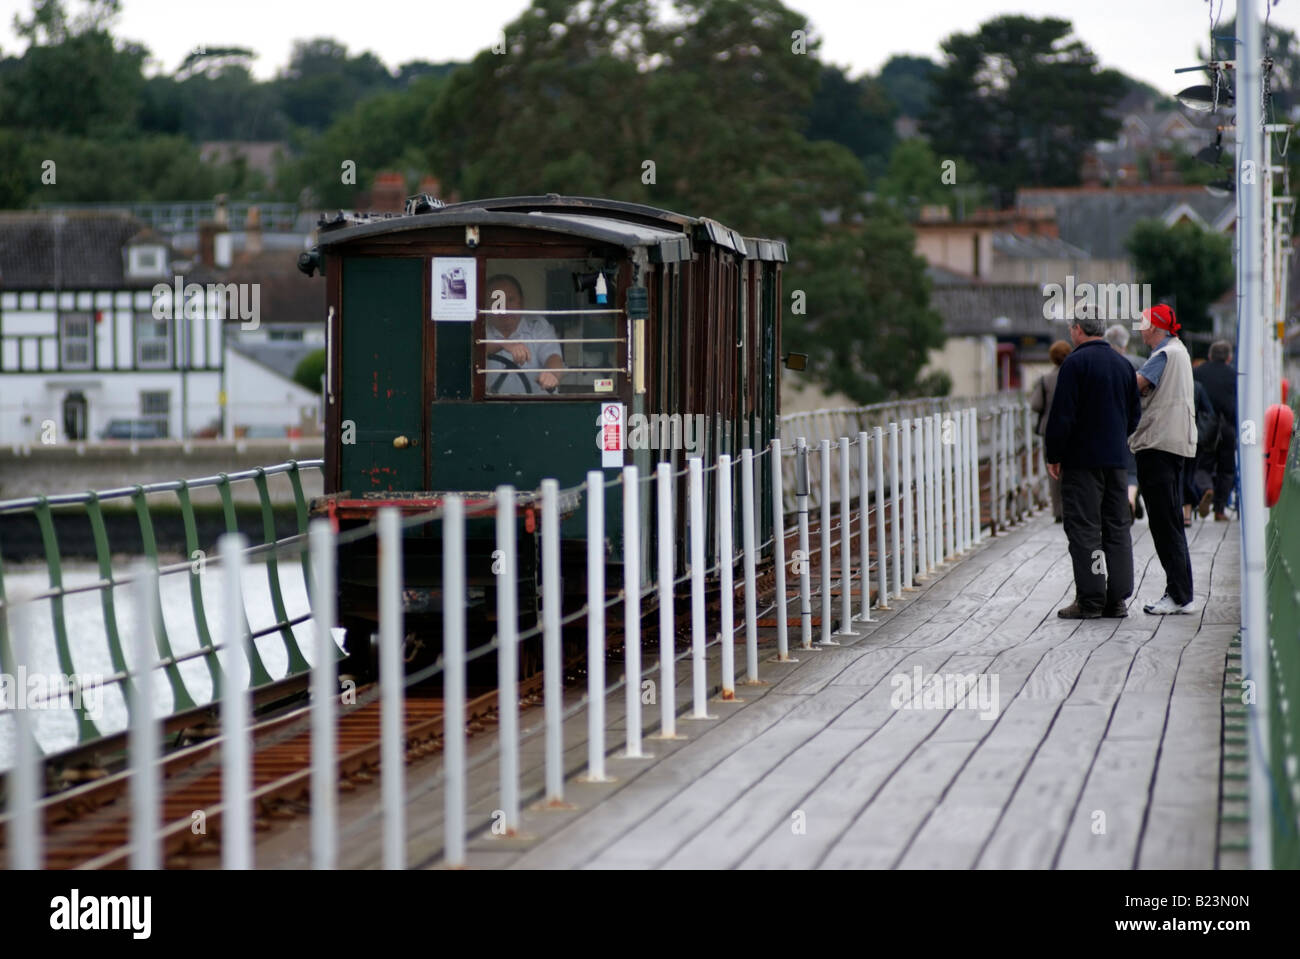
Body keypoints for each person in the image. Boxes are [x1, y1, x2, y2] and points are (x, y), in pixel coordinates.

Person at [1045, 314, 1142, 619]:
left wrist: (1054, 455)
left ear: (1077, 330)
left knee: (1085, 529)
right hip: (1116, 462)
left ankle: (1091, 599)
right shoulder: (1124, 365)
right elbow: (1134, 416)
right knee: (1117, 527)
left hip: (1081, 462)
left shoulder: (1075, 364)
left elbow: (1061, 417)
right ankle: (1117, 599)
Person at [1130, 304, 1198, 614]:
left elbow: (1136, 386)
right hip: (1175, 442)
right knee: (1171, 520)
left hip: (1158, 444)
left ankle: (1178, 594)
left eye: (1143, 324)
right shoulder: (1179, 351)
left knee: (1163, 523)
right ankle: (1182, 592)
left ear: (1155, 327)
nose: (1140, 329)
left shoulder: (1163, 356)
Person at [483, 274, 564, 395]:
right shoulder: (480, 331)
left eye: (510, 300)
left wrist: (551, 374)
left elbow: (553, 357)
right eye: (497, 301)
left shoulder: (538, 327)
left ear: (521, 303)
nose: (505, 307)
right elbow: (473, 351)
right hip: (492, 409)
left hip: (535, 408)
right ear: (486, 306)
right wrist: (503, 344)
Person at [1194, 339, 1238, 521]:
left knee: (1201, 466)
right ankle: (1220, 510)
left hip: (1204, 426)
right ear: (1229, 358)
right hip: (1228, 426)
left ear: (1210, 356)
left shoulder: (1197, 372)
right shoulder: (1235, 375)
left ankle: (1207, 488)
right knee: (1226, 470)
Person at [1030, 340, 1072, 522]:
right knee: (1072, 469)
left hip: (1049, 429)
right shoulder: (1074, 375)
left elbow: (1035, 404)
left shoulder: (1046, 379)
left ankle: (1058, 511)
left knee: (1054, 472)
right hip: (1072, 429)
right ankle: (1073, 507)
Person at [1104, 324, 1143, 518]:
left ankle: (1116, 503)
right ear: (1125, 344)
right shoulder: (1139, 363)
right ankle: (1130, 497)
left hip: (1108, 425)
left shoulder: (1100, 362)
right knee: (1132, 468)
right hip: (1135, 422)